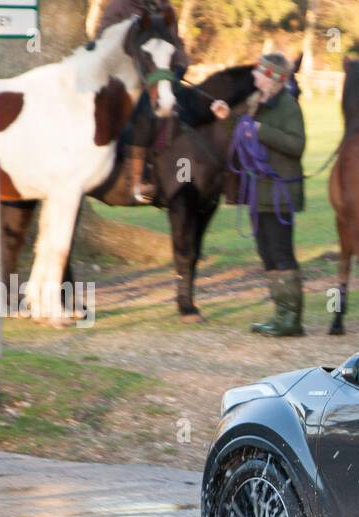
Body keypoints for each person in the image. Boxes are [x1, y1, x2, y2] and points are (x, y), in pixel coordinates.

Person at [211, 53, 307, 337]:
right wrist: (227, 119)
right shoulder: (257, 102)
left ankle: (292, 320)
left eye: (259, 73)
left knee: (281, 252)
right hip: (258, 191)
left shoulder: (288, 106)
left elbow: (296, 144)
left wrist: (263, 130)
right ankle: (280, 314)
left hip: (280, 191)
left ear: (273, 77)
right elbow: (243, 133)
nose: (254, 76)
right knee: (266, 253)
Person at [95, 0, 189, 205]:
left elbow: (176, 44)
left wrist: (181, 64)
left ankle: (180, 175)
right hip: (122, 81)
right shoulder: (118, 7)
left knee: (183, 112)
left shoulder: (166, 10)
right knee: (143, 115)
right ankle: (137, 182)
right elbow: (103, 41)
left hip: (158, 77)